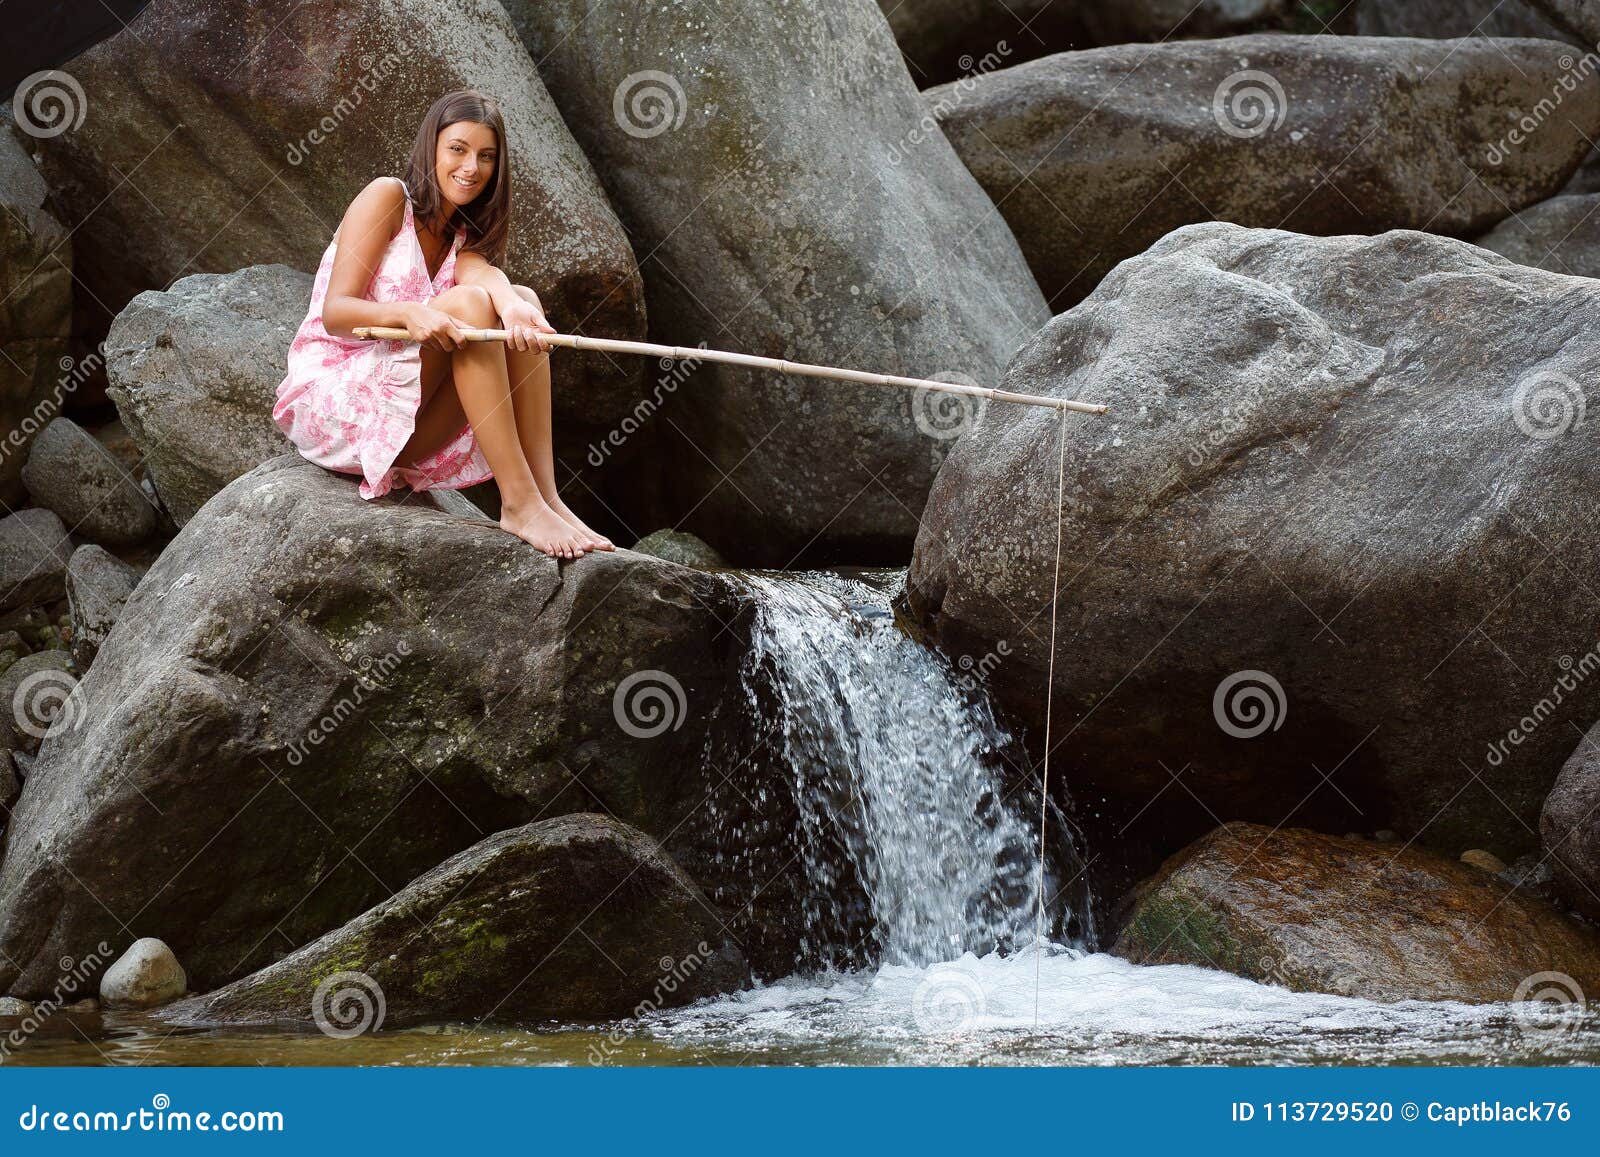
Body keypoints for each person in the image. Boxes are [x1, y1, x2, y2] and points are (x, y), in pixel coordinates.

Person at [273, 88, 612, 558]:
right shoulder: (388, 197)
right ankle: (517, 503)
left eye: (486, 156)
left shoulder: (462, 237)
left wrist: (515, 308)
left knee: (521, 299)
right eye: (458, 149)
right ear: (432, 146)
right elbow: (337, 313)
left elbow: (485, 276)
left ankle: (545, 497)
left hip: (403, 424)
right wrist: (409, 312)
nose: (471, 167)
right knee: (473, 306)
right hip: (339, 408)